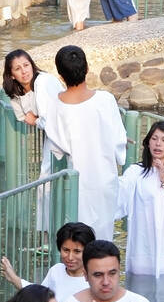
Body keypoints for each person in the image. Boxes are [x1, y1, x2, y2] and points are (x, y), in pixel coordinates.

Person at [44, 45, 127, 241]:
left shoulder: (56, 104)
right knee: (104, 237)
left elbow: (57, 147)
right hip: (105, 176)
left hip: (78, 179)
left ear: (61, 75)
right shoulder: (105, 100)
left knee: (79, 236)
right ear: (87, 68)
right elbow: (118, 141)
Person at [116, 119, 164, 280]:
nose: (158, 144)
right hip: (142, 247)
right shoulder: (135, 172)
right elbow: (115, 194)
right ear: (148, 143)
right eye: (154, 139)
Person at [1, 48, 63, 230]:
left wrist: (36, 120)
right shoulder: (15, 91)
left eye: (26, 65)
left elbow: (47, 118)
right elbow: (22, 117)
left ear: (33, 65)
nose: (24, 71)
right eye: (18, 68)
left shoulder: (43, 82)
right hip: (52, 136)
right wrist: (36, 120)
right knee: (46, 183)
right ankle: (48, 232)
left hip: (62, 134)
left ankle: (50, 232)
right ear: (11, 74)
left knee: (48, 183)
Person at [0, 220, 96, 302]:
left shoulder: (95, 279)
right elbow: (39, 296)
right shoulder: (56, 271)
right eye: (66, 250)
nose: (70, 257)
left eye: (77, 251)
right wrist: (13, 278)